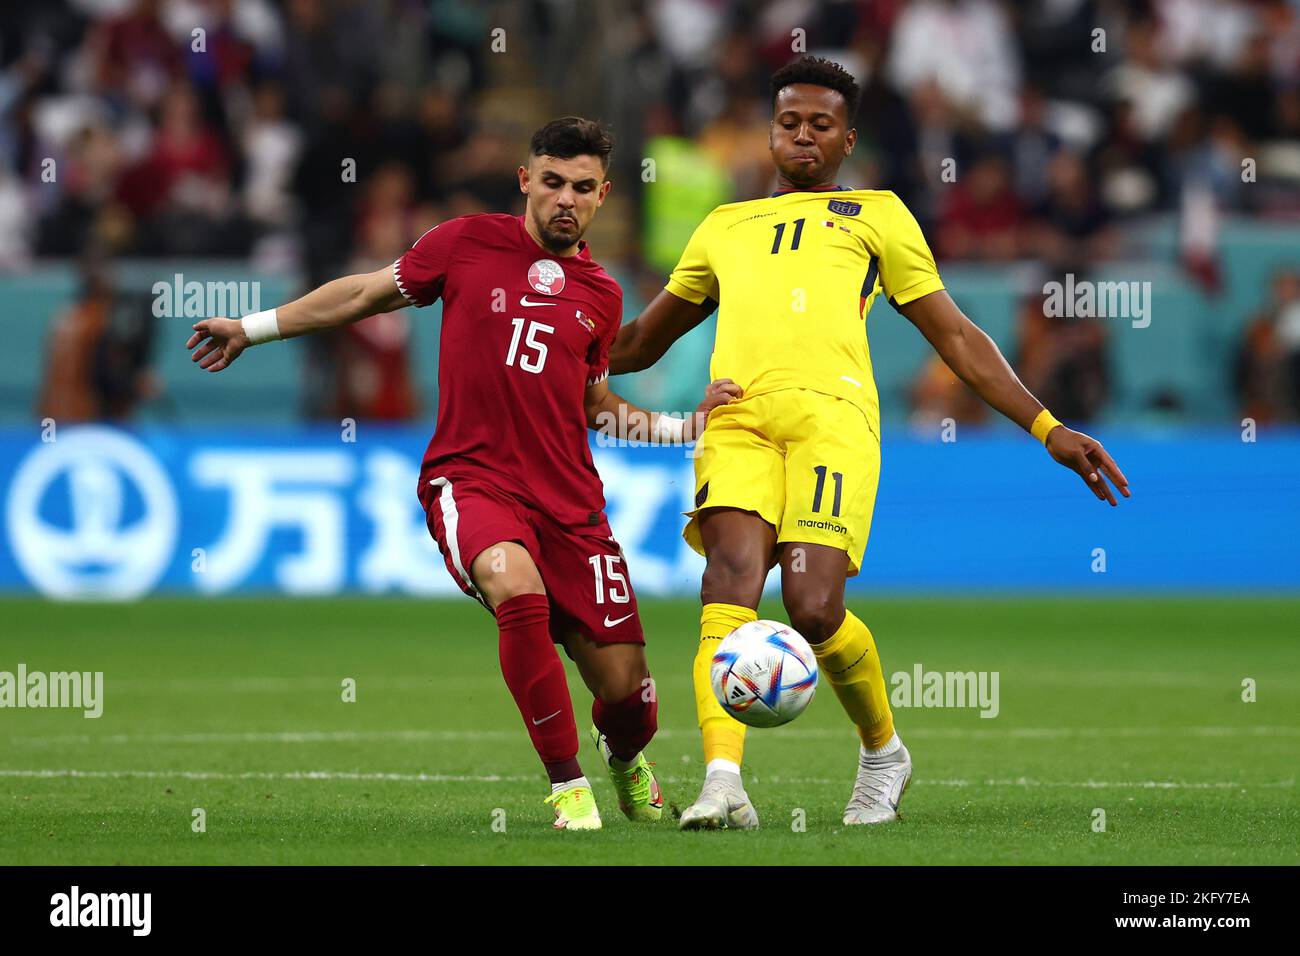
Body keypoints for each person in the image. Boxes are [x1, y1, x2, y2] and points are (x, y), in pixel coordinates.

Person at [610, 57, 1130, 830]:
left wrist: (1046, 426)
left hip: (834, 420)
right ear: (770, 133)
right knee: (728, 581)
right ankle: (724, 782)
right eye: (789, 122)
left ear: (848, 139)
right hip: (738, 421)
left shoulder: (878, 214)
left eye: (821, 124)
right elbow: (641, 342)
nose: (803, 136)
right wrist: (558, 346)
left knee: (813, 608)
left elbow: (955, 335)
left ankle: (884, 752)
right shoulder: (723, 226)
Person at [186, 116, 737, 831]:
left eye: (582, 188)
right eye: (551, 182)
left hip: (572, 506)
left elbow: (595, 406)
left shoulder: (601, 294)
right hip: (472, 480)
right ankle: (568, 787)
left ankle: (625, 754)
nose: (565, 199)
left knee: (629, 695)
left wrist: (684, 428)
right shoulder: (464, 243)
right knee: (515, 588)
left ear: (603, 195)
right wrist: (251, 327)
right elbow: (362, 295)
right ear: (525, 181)